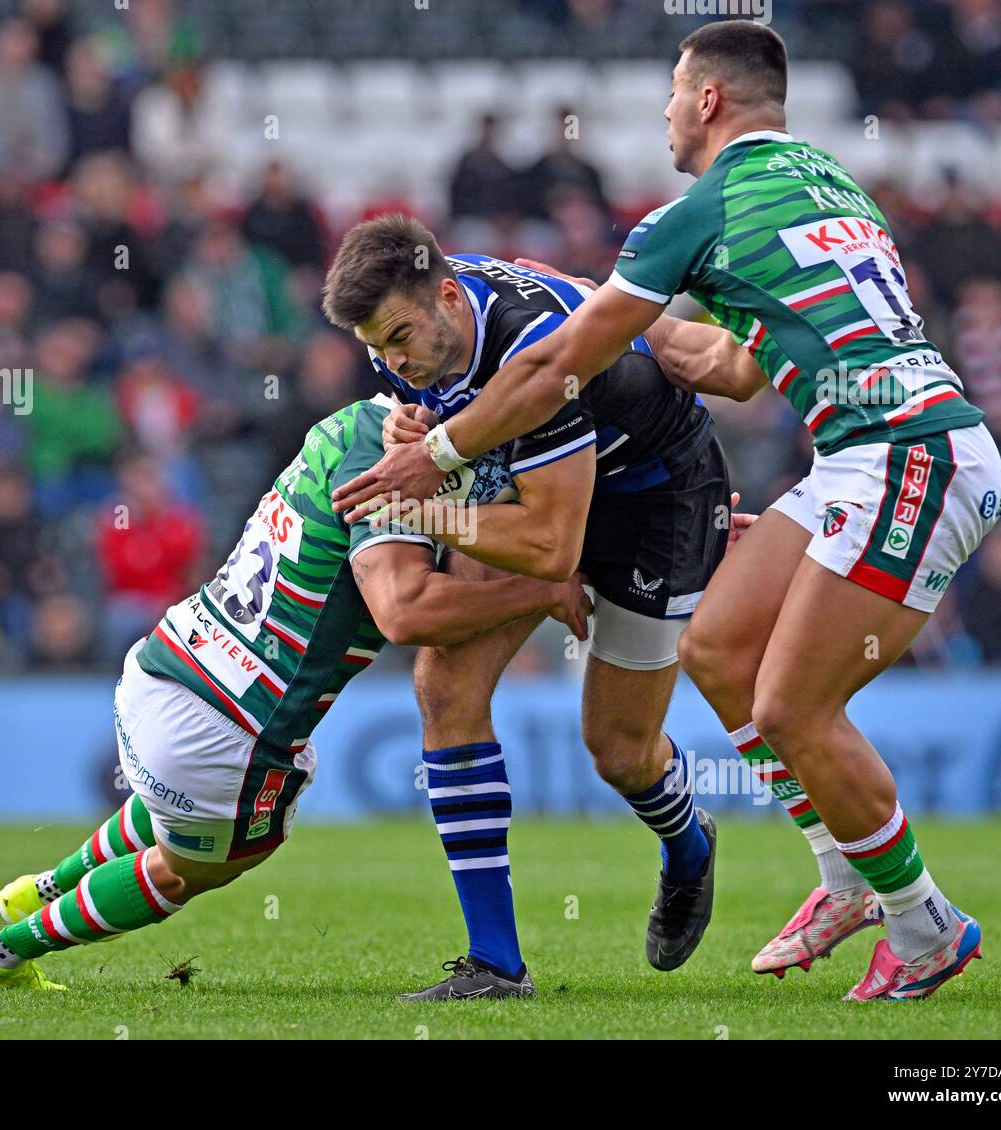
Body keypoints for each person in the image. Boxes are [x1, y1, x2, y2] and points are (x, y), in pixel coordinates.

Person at [333, 21, 1001, 1002]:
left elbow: (560, 364)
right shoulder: (825, 185)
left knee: (789, 708)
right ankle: (842, 871)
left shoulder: (693, 213)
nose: (663, 114)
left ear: (709, 101)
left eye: (672, 94)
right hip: (872, 450)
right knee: (720, 649)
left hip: (903, 452)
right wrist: (636, 340)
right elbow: (736, 364)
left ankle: (924, 921)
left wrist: (434, 457)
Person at [0, 395, 590, 991]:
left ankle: (44, 887)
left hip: (168, 661)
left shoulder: (352, 421)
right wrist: (543, 590)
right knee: (195, 864)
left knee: (181, 811)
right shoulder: (389, 465)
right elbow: (406, 612)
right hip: (231, 725)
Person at [321, 215, 763, 998]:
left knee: (618, 750)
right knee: (444, 685)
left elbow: (552, 549)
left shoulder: (529, 351)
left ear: (450, 298)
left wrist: (421, 509)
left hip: (655, 505)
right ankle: (496, 964)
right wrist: (411, 422)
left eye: (397, 339)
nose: (391, 362)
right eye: (374, 350)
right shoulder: (425, 309)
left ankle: (689, 845)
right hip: (541, 492)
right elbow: (467, 448)